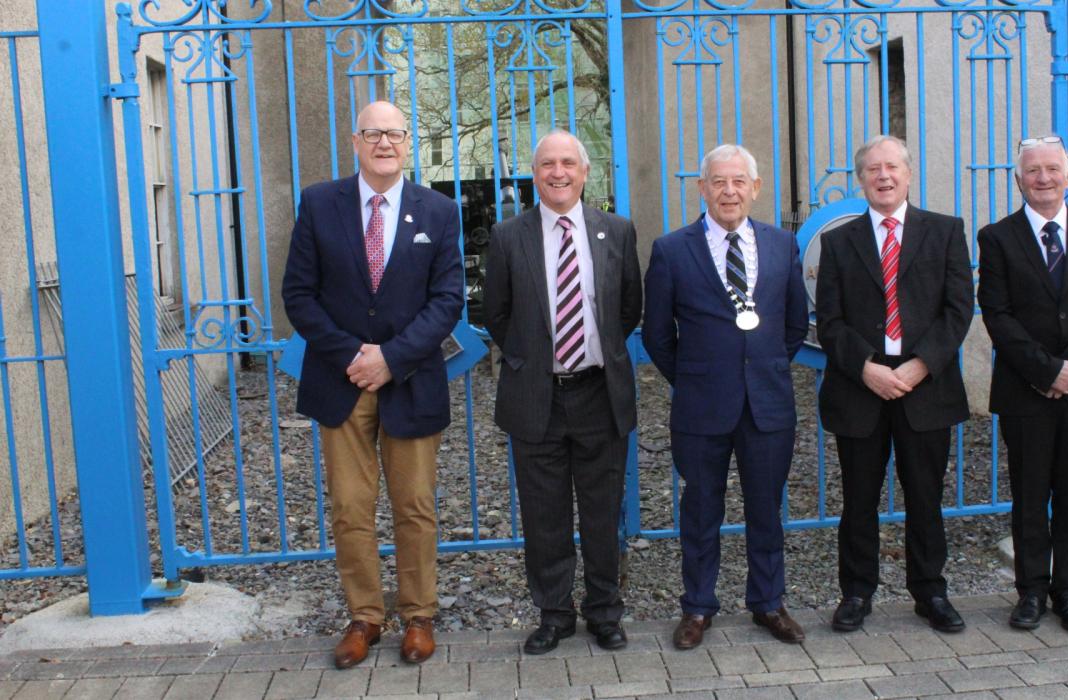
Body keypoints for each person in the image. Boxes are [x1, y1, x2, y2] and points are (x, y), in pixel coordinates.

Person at [281, 101, 463, 668]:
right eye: (373, 133)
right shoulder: (319, 204)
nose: (384, 142)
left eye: (395, 133)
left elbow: (448, 299)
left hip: (409, 378)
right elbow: (298, 295)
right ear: (355, 141)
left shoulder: (438, 210)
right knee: (350, 506)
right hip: (343, 381)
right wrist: (353, 357)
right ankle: (364, 617)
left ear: (408, 142)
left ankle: (418, 617)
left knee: (413, 504)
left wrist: (392, 358)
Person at [642, 144, 809, 650]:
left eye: (739, 181)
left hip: (768, 403)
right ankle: (697, 606)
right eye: (718, 181)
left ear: (755, 188)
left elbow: (796, 323)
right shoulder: (672, 249)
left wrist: (762, 368)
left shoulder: (782, 244)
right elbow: (656, 335)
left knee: (766, 509)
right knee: (700, 511)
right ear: (702, 189)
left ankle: (768, 602)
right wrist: (694, 377)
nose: (729, 191)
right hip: (700, 405)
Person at [482, 129, 642, 654]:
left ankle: (603, 611)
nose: (558, 172)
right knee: (544, 512)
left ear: (585, 171)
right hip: (537, 396)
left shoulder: (616, 231)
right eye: (548, 164)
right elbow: (496, 316)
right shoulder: (508, 236)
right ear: (535, 174)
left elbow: (627, 310)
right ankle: (554, 614)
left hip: (600, 392)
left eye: (568, 163)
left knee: (602, 509)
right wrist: (532, 359)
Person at [816, 135, 974, 634]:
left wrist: (920, 365)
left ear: (908, 174)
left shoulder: (945, 231)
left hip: (925, 387)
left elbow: (958, 309)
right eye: (873, 169)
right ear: (860, 179)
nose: (883, 176)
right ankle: (857, 593)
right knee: (858, 500)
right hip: (861, 386)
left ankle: (930, 592)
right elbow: (830, 320)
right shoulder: (839, 242)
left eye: (892, 168)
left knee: (925, 497)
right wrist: (866, 367)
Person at [977, 135, 1068, 633]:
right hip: (1025, 390)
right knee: (1029, 492)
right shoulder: (996, 237)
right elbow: (997, 313)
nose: (1043, 178)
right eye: (1033, 171)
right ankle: (1031, 592)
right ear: (1019, 180)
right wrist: (1045, 370)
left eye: (1052, 169)